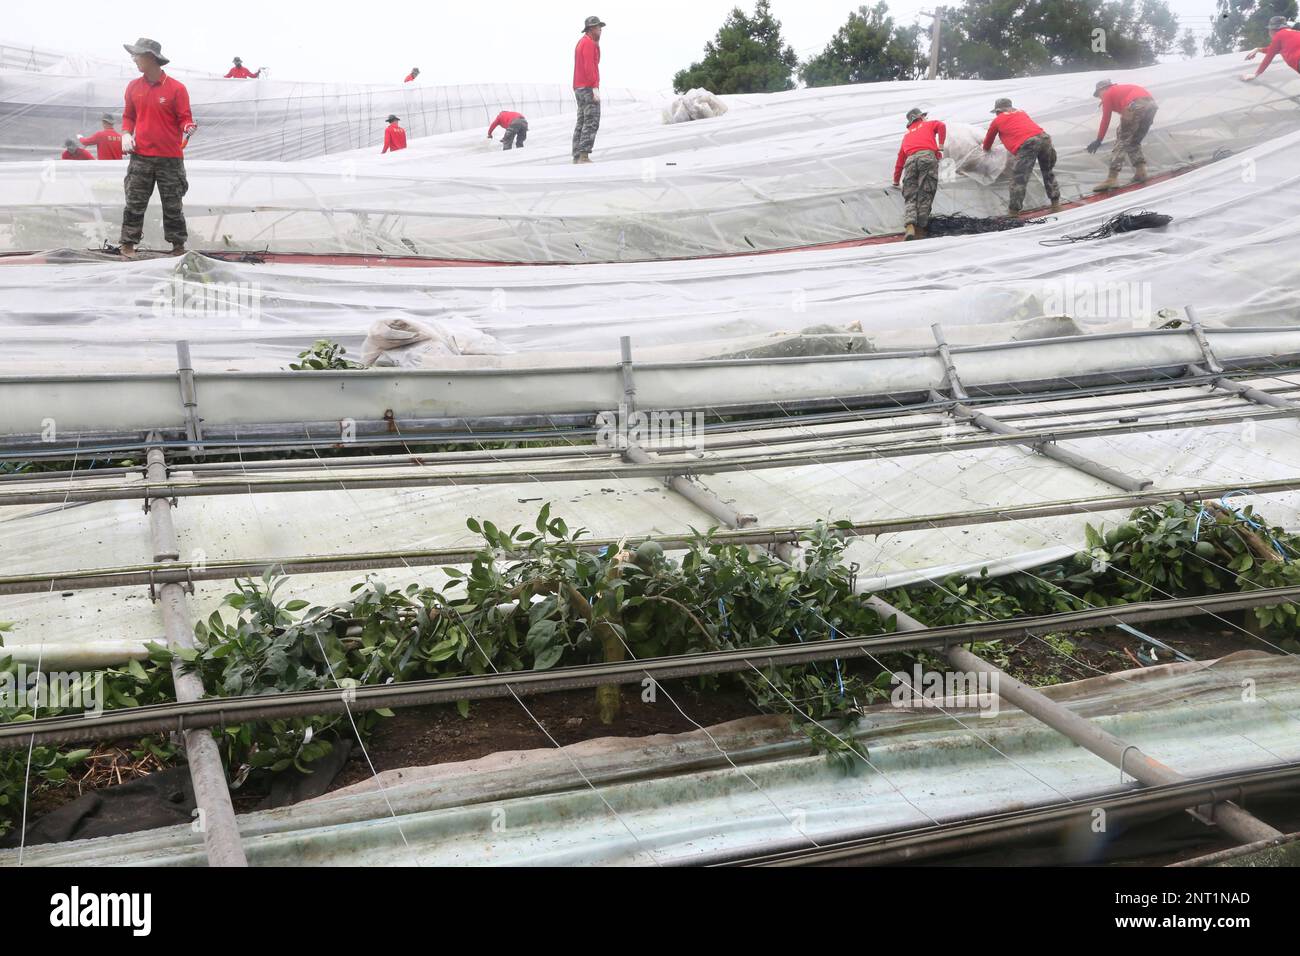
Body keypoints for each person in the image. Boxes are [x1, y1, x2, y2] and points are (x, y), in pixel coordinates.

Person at [119, 38, 196, 259]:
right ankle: (128, 245)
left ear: (151, 58)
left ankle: (178, 247)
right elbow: (128, 116)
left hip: (170, 158)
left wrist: (188, 127)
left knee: (172, 205)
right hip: (141, 156)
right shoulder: (134, 87)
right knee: (134, 202)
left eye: (138, 55)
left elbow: (184, 118)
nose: (134, 60)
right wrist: (125, 133)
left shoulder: (176, 89)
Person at [982, 98, 1061, 215]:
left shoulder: (997, 121)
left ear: (998, 111)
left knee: (1019, 179)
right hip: (1045, 139)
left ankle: (1013, 213)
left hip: (1028, 144)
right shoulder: (1022, 113)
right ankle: (1056, 205)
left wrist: (986, 149)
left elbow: (987, 144)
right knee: (1048, 173)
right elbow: (1026, 129)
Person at [1086, 79, 1156, 192]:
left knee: (1122, 140)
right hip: (1151, 105)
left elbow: (1106, 118)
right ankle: (1141, 172)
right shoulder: (1121, 90)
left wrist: (1099, 139)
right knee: (1134, 141)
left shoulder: (1108, 93)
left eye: (1099, 95)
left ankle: (1112, 178)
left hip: (1135, 105)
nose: (1100, 98)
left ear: (1102, 89)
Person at [892, 107, 945, 240]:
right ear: (921, 117)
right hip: (927, 157)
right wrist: (941, 145)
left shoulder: (907, 135)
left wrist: (896, 180)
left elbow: (900, 160)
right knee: (925, 193)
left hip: (910, 161)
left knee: (911, 196)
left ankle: (910, 225)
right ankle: (920, 229)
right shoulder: (929, 124)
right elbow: (942, 125)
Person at [572, 15, 604, 164]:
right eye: (598, 27)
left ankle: (577, 155)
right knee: (591, 120)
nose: (600, 30)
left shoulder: (582, 42)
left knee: (582, 120)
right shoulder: (589, 43)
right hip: (587, 87)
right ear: (592, 28)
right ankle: (584, 155)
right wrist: (594, 87)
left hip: (579, 87)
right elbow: (590, 67)